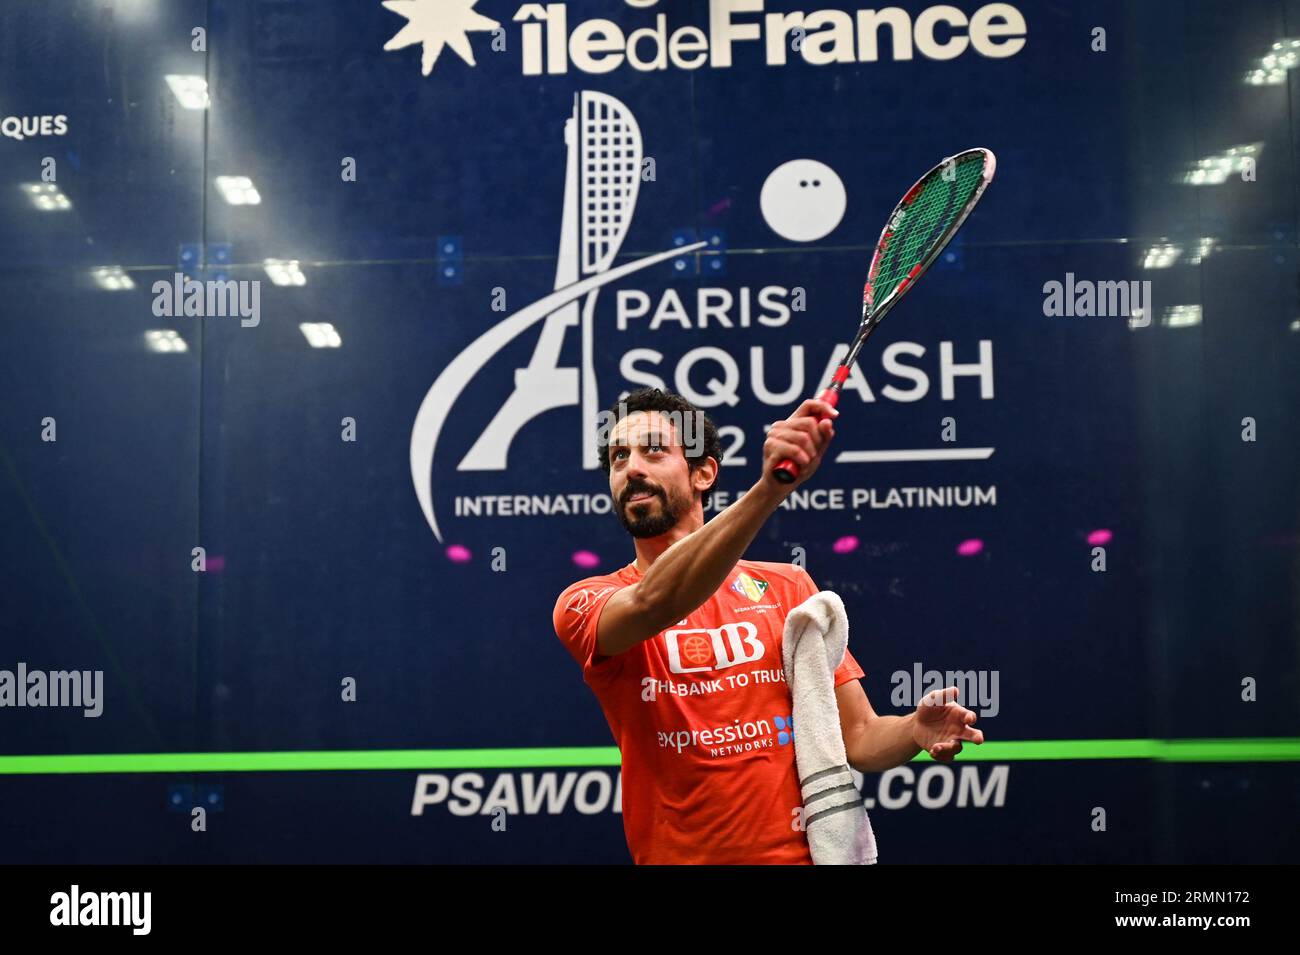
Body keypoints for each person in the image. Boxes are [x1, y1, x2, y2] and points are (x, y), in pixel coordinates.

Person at [553, 387, 983, 864]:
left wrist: (913, 732)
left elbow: (858, 736)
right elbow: (657, 601)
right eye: (618, 457)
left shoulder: (788, 589)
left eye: (653, 451)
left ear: (703, 473)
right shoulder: (584, 604)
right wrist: (770, 489)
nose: (631, 467)